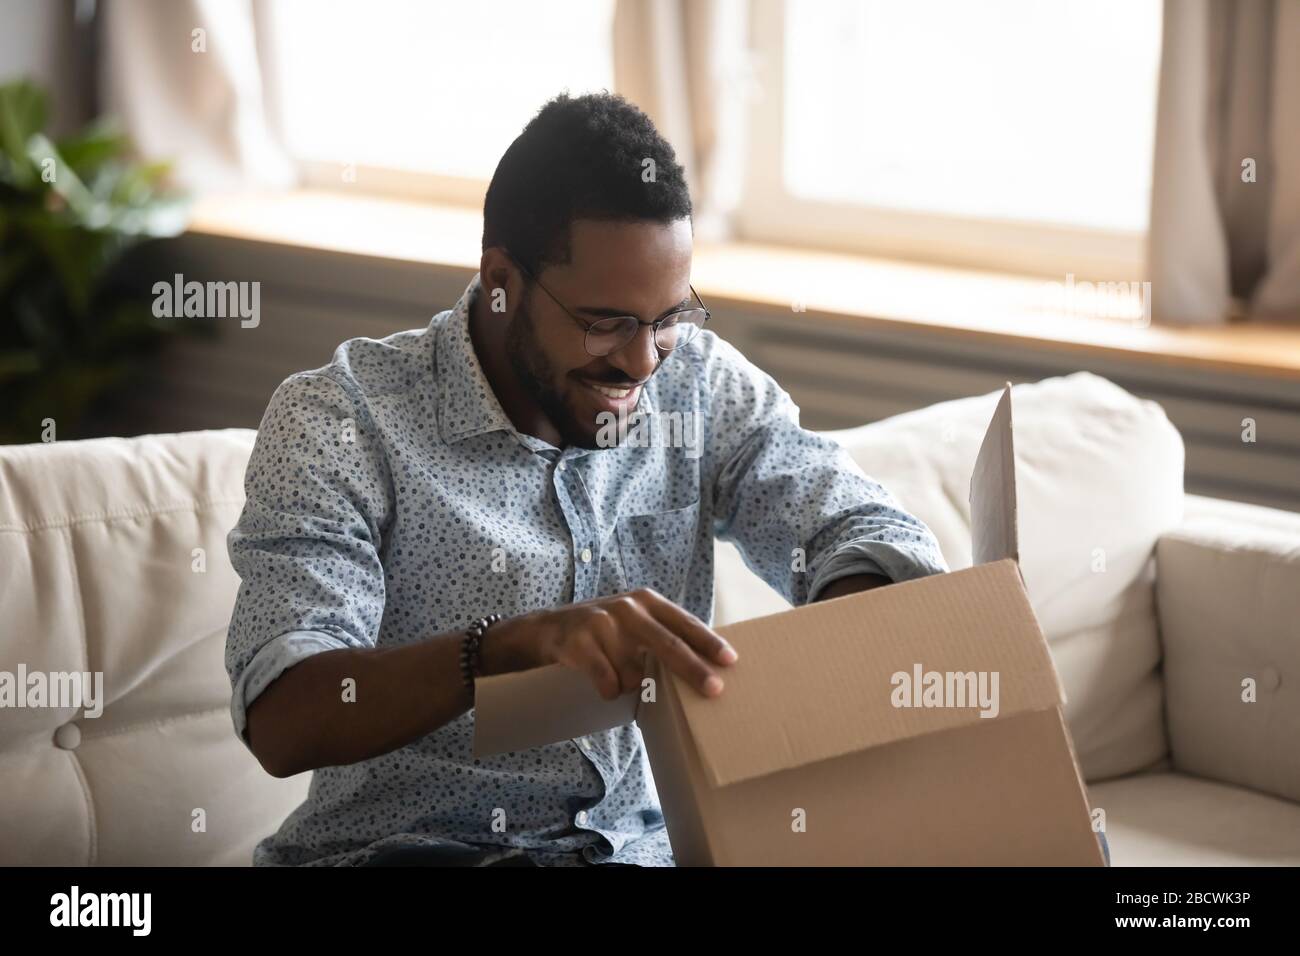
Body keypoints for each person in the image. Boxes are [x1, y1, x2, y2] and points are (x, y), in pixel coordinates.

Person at [224, 92, 949, 866]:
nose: (642, 363)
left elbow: (867, 528)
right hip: (412, 852)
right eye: (605, 323)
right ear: (502, 281)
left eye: (669, 317)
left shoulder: (697, 389)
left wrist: (846, 631)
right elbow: (286, 712)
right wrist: (495, 652)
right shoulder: (344, 420)